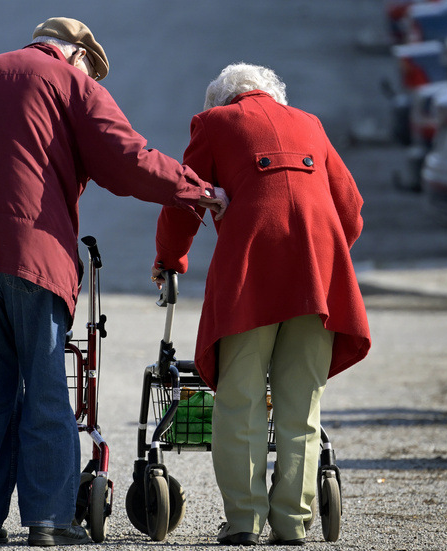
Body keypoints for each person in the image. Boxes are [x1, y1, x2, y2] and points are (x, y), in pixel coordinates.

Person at [0, 17, 227, 547]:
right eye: (92, 73)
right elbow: (127, 158)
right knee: (48, 390)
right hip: (35, 258)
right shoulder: (71, 84)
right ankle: (49, 520)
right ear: (76, 58)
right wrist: (195, 188)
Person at [152, 63, 371, 546]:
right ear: (274, 95)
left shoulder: (213, 124)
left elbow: (184, 199)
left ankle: (245, 523)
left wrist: (170, 261)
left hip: (251, 277)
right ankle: (292, 524)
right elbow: (351, 209)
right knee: (301, 405)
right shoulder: (309, 124)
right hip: (317, 281)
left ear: (222, 101)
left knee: (241, 399)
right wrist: (324, 257)